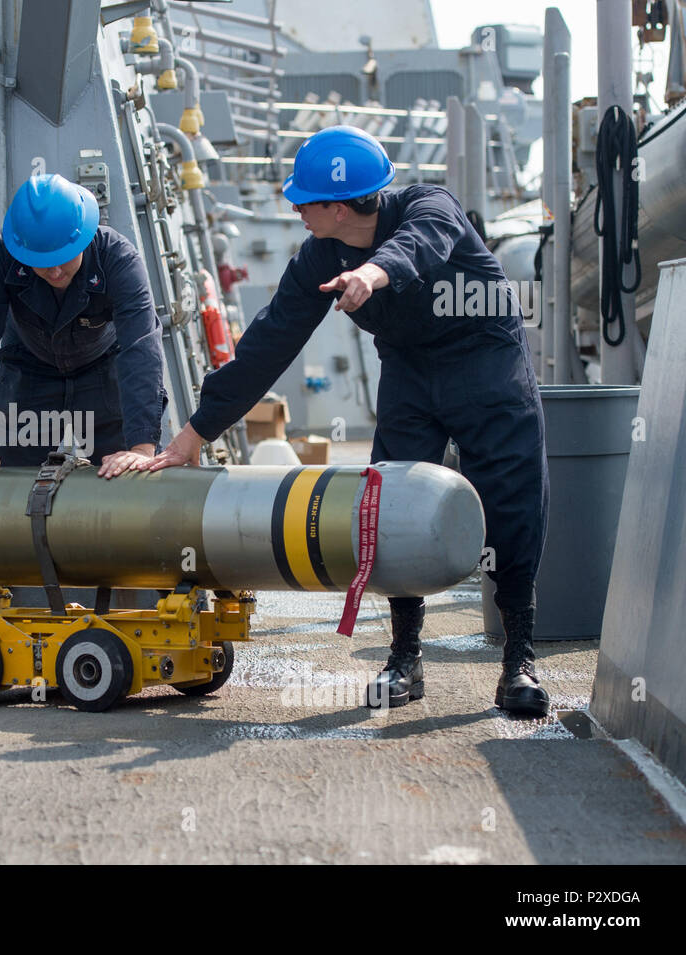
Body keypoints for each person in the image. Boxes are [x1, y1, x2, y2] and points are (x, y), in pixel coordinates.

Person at [142, 125, 550, 718]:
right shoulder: (320, 256)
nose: (294, 207)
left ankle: (519, 659)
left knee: (511, 505)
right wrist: (191, 436)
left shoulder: (428, 206)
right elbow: (266, 346)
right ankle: (405, 656)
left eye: (303, 199)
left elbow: (419, 245)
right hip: (410, 372)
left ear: (336, 206)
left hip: (486, 364)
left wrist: (373, 274)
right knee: (392, 504)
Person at [0, 174, 166, 487]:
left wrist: (142, 447)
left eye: (63, 257)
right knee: (7, 488)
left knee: (127, 481)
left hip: (103, 372)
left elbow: (141, 349)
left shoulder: (117, 258)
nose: (55, 271)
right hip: (28, 371)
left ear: (84, 238)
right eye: (41, 261)